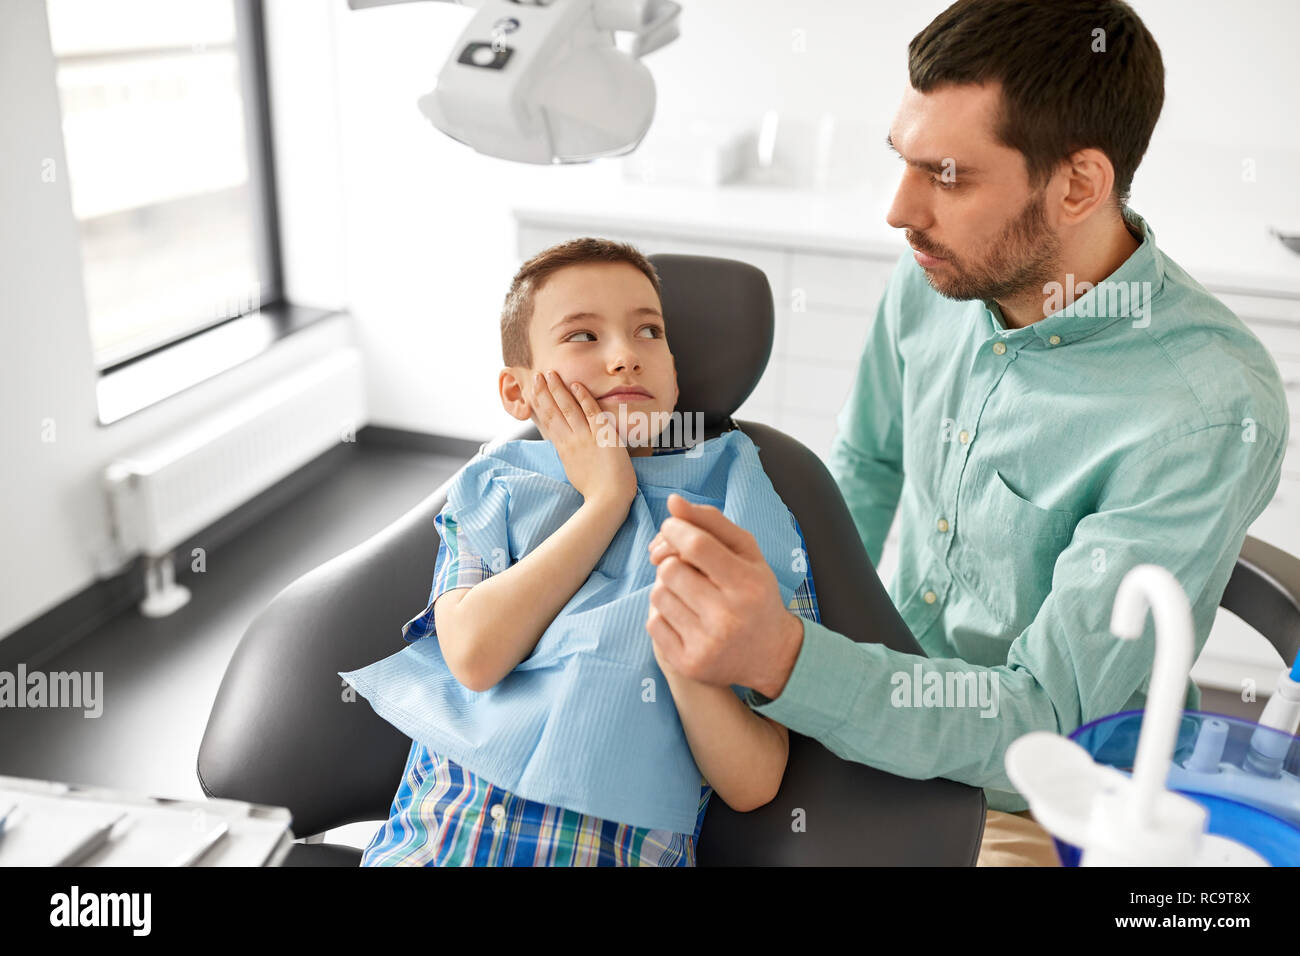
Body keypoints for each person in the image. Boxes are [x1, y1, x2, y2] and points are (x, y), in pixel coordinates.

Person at [644, 0, 1290, 866]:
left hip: (1015, 797)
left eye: (947, 175)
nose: (900, 210)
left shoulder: (1202, 407)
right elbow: (867, 468)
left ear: (1077, 186)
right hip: (834, 704)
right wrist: (790, 637)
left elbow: (1047, 723)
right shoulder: (939, 275)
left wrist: (791, 660)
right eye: (902, 163)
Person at [341, 237, 820, 866]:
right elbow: (475, 656)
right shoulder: (495, 485)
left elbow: (754, 780)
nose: (625, 357)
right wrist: (605, 501)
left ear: (675, 371)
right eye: (583, 337)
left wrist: (681, 660)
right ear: (519, 392)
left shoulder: (745, 503)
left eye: (649, 331)